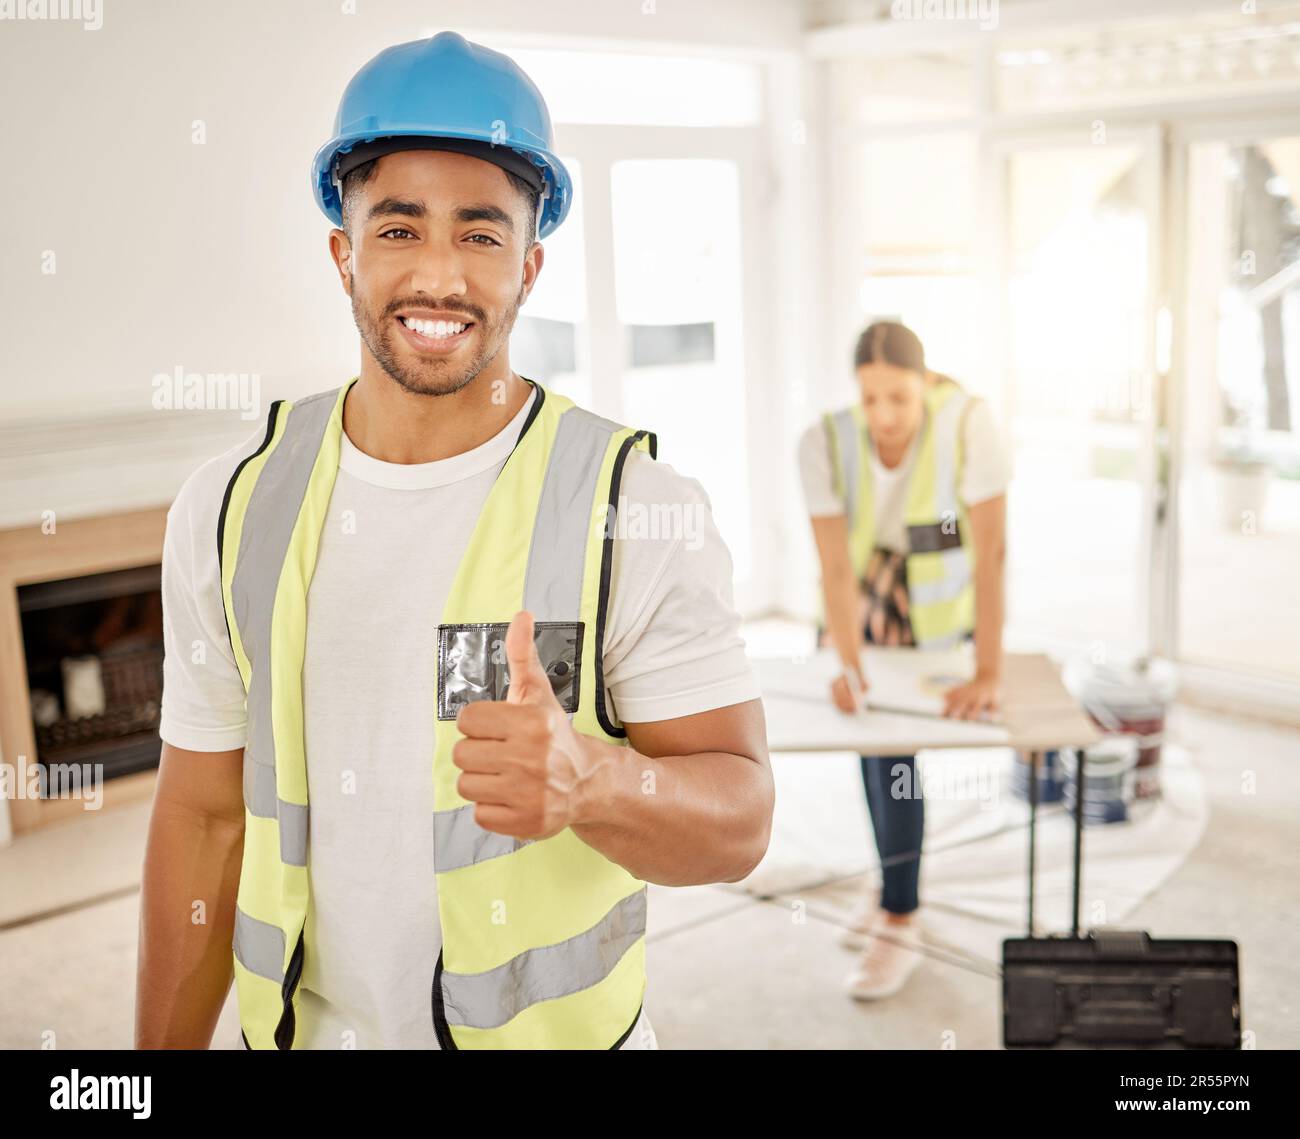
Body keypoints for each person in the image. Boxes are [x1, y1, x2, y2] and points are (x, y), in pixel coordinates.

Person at [136, 31, 774, 1051]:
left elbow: (741, 821)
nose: (438, 275)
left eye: (480, 234)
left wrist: (596, 781)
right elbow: (204, 818)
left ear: (530, 265)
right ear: (343, 252)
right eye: (399, 228)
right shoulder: (231, 505)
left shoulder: (630, 507)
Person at [798, 320, 1009, 1000]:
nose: (885, 416)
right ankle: (892, 882)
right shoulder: (825, 441)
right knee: (872, 744)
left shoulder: (969, 425)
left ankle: (900, 915)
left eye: (900, 398)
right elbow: (834, 565)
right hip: (861, 603)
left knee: (894, 754)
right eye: (871, 398)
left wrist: (988, 670)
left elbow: (991, 553)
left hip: (934, 614)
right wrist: (846, 659)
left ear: (926, 383)